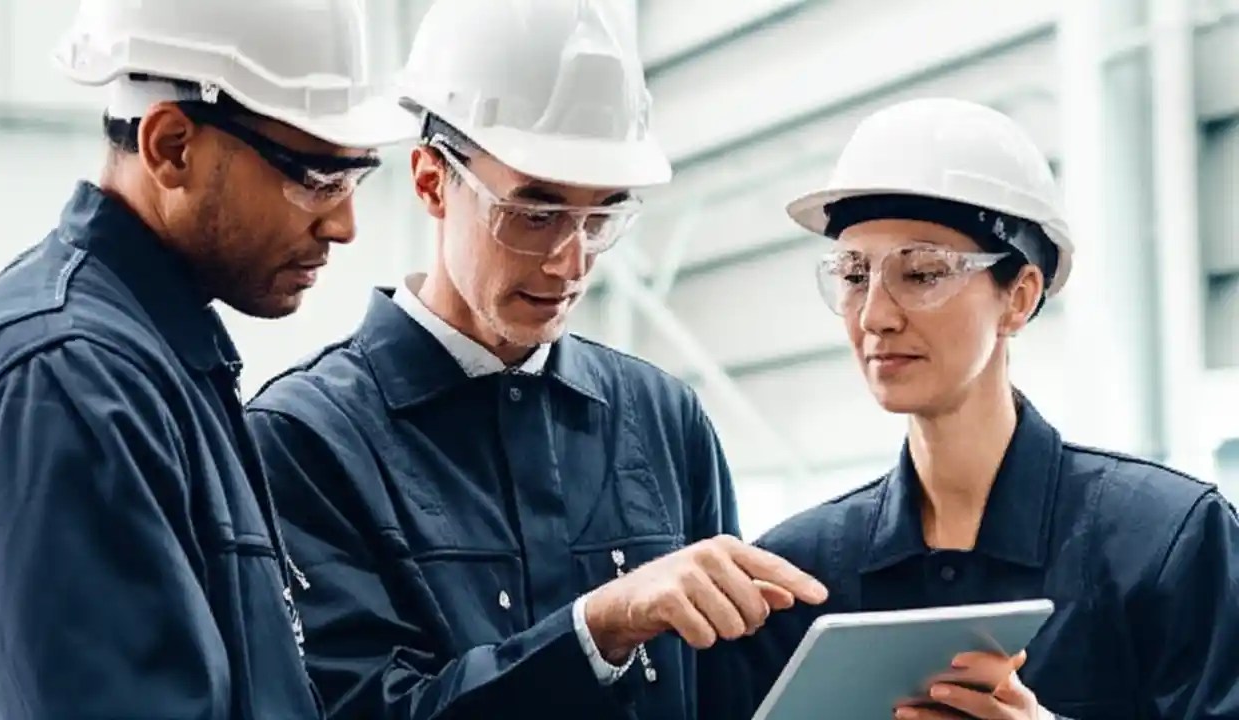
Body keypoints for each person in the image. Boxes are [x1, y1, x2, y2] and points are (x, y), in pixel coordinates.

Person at [244, 1, 827, 718]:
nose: (569, 261)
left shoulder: (664, 418)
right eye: (535, 213)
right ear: (430, 179)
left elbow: (730, 695)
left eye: (602, 215)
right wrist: (599, 629)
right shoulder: (302, 440)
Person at [697, 97, 1239, 720]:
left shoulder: (1167, 542)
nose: (875, 315)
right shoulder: (799, 574)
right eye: (853, 275)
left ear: (1019, 297)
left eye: (923, 273)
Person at [0, 1, 414, 717]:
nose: (344, 224)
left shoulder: (160, 364)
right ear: (171, 146)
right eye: (317, 178)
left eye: (357, 178)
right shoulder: (68, 380)